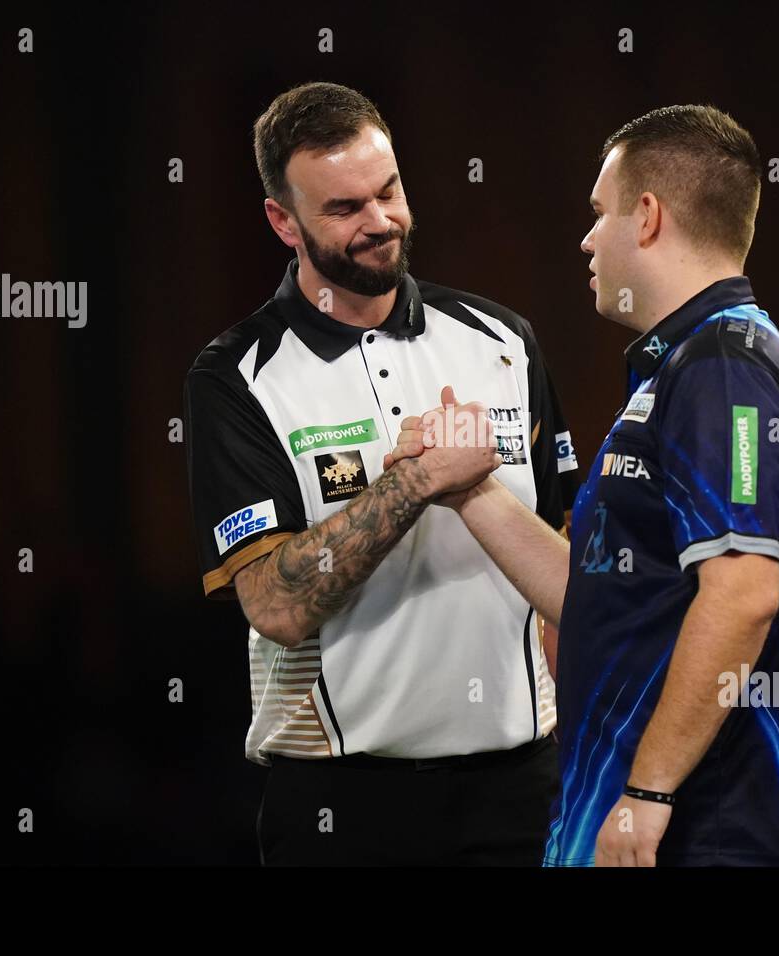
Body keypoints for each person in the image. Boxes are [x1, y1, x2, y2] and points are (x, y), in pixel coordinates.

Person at [388, 105, 779, 866]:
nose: (588, 238)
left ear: (650, 216)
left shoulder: (725, 369)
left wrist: (650, 793)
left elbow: (743, 594)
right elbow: (599, 595)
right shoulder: (684, 370)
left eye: (601, 213)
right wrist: (470, 490)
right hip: (634, 820)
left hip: (704, 833)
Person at [182, 81, 579, 865]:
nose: (381, 222)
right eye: (344, 209)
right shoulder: (234, 378)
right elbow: (274, 606)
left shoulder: (503, 340)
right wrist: (410, 484)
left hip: (522, 790)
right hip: (343, 807)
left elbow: (564, 572)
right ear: (282, 222)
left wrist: (587, 755)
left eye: (388, 190)